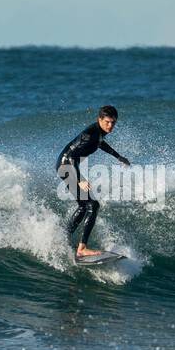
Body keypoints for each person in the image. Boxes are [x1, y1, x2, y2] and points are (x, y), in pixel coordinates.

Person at [56, 105, 130, 258]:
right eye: (108, 122)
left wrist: (118, 157)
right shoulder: (90, 135)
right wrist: (79, 180)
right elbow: (71, 157)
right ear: (99, 120)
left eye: (113, 123)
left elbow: (100, 143)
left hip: (67, 166)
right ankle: (82, 249)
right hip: (66, 166)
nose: (111, 126)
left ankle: (63, 236)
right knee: (92, 205)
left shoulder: (99, 132)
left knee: (84, 206)